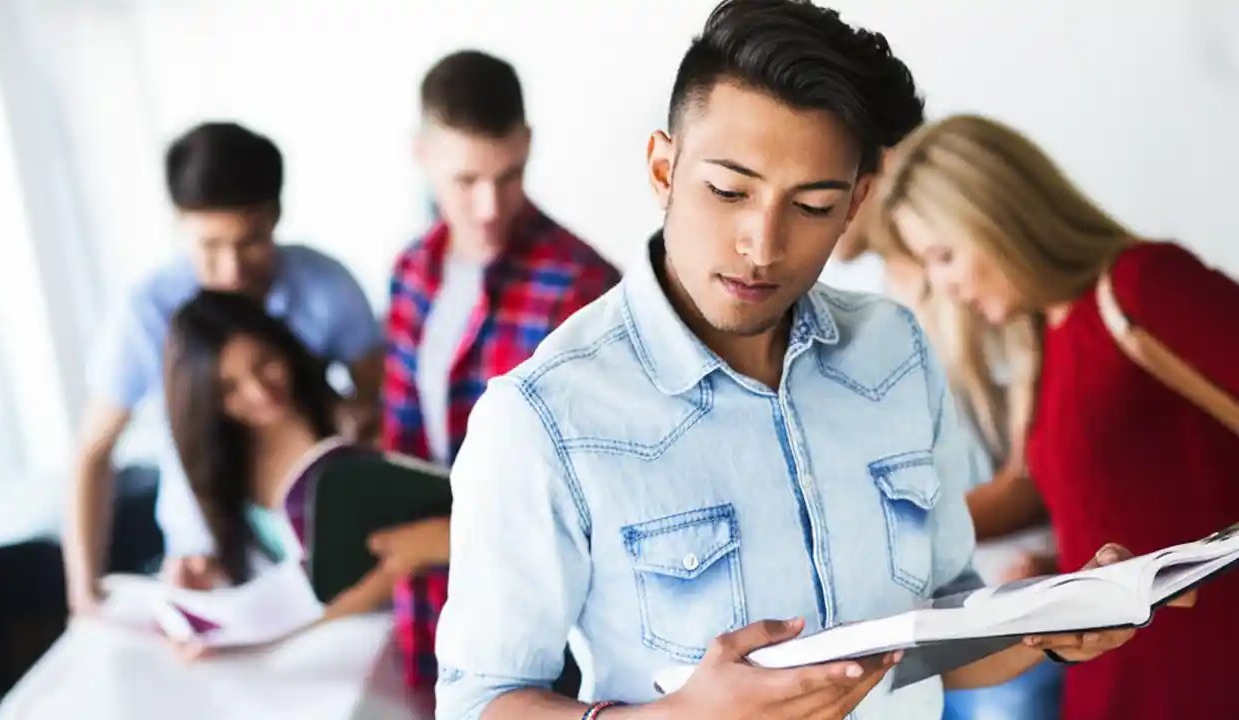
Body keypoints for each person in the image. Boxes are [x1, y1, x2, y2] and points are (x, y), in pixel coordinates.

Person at [434, 3, 1147, 719]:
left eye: (811, 205)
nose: (763, 243)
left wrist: (1046, 627)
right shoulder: (542, 417)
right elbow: (477, 704)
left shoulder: (894, 352)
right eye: (729, 190)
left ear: (855, 203)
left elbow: (935, 634)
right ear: (663, 168)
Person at [871, 113, 1238, 719]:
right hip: (1112, 684)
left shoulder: (1143, 285)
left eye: (944, 256)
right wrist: (1065, 567)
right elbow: (1106, 491)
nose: (946, 286)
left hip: (1207, 675)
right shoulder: (1044, 340)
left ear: (995, 216)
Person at [371, 50, 620, 687]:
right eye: (465, 181)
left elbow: (606, 497)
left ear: (529, 146)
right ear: (420, 154)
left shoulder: (585, 289)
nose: (489, 206)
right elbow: (401, 447)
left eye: (508, 177)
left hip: (546, 645)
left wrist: (446, 538)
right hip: (429, 618)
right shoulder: (409, 275)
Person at [64, 122, 383, 613]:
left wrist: (351, 420)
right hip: (205, 562)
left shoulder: (327, 287)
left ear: (277, 215)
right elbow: (94, 452)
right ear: (178, 223)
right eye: (209, 246)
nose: (232, 270)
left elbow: (382, 404)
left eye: (251, 241)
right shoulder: (146, 311)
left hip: (324, 551)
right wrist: (83, 593)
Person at [867, 250, 1062, 719]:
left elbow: (1033, 482)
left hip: (1007, 607)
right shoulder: (878, 304)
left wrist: (892, 542)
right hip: (914, 623)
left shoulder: (988, 301)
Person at [163, 291, 390, 641]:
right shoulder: (220, 469)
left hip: (376, 637)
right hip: (295, 651)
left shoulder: (353, 432)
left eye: (264, 363)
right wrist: (202, 581)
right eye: (229, 387)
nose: (259, 391)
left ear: (284, 348)